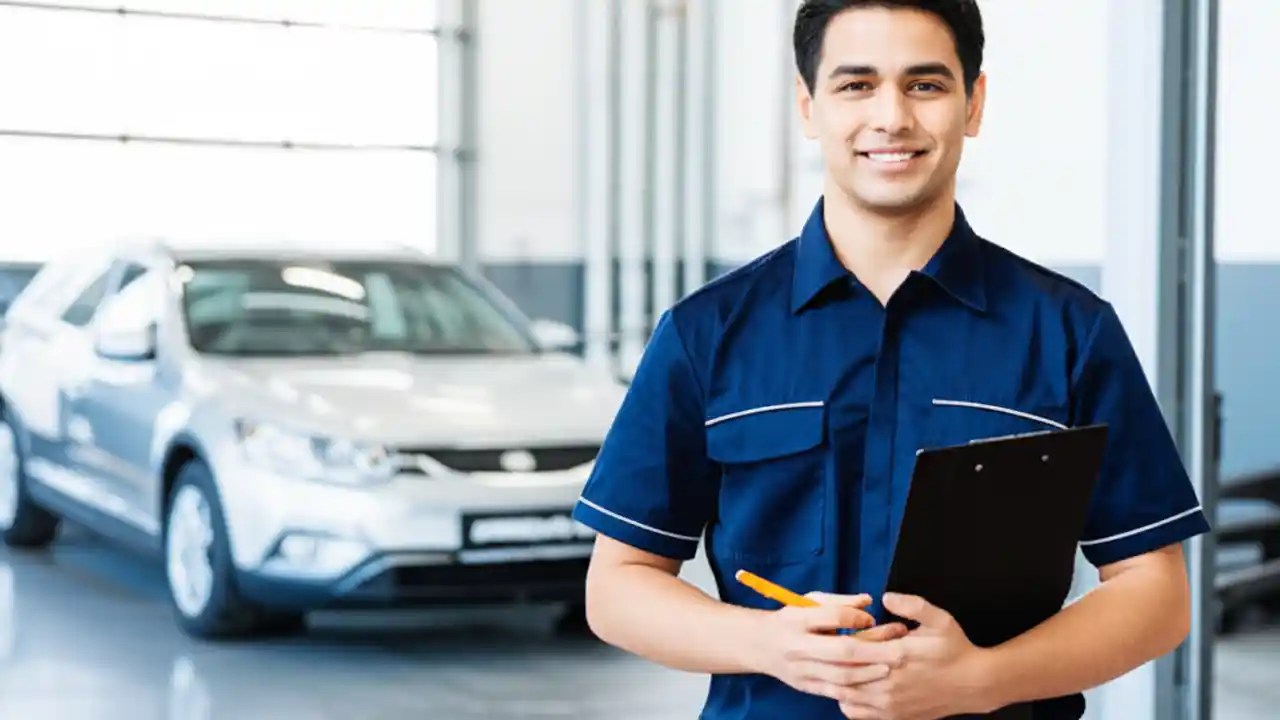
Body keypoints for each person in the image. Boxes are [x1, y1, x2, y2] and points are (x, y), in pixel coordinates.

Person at [569, 0, 1211, 718]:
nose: (892, 117)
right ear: (808, 106)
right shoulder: (707, 331)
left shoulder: (1069, 331)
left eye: (926, 85)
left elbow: (1156, 595)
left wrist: (977, 680)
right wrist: (766, 643)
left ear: (974, 103)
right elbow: (617, 585)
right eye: (856, 85)